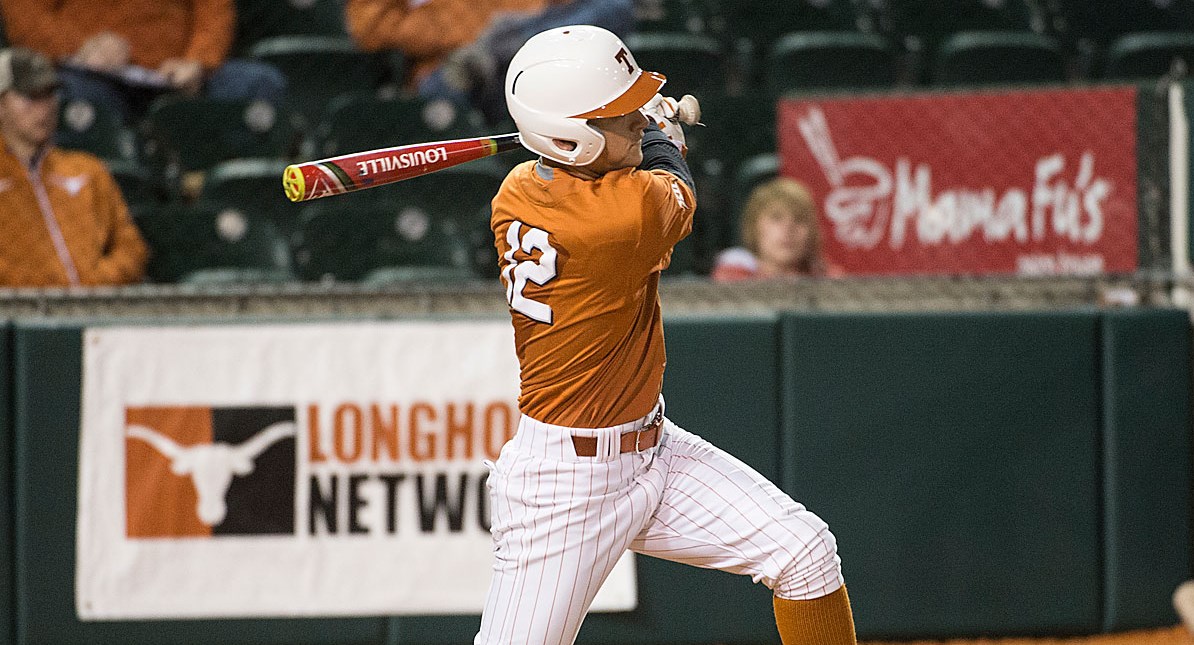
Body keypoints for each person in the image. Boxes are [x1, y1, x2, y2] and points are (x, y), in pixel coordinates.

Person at [480, 25, 856, 645]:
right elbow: (671, 180)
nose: (631, 119)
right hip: (566, 488)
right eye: (617, 114)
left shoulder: (518, 188)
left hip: (654, 449)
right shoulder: (623, 218)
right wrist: (660, 129)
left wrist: (632, 121)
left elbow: (614, 166)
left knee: (805, 552)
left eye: (630, 109)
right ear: (569, 138)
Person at [0, 0, 286, 125]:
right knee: (67, 96)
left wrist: (197, 60)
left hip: (176, 77)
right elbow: (24, 15)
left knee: (261, 83)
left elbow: (213, 7)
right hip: (94, 77)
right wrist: (81, 48)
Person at [0, 47, 148, 287]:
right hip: (15, 316)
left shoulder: (87, 170)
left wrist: (95, 285)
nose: (44, 108)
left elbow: (130, 247)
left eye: (49, 95)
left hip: (93, 312)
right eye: (30, 96)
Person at [711, 177, 844, 282]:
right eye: (776, 218)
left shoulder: (831, 282)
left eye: (799, 219)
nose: (788, 229)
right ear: (754, 226)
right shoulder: (731, 280)